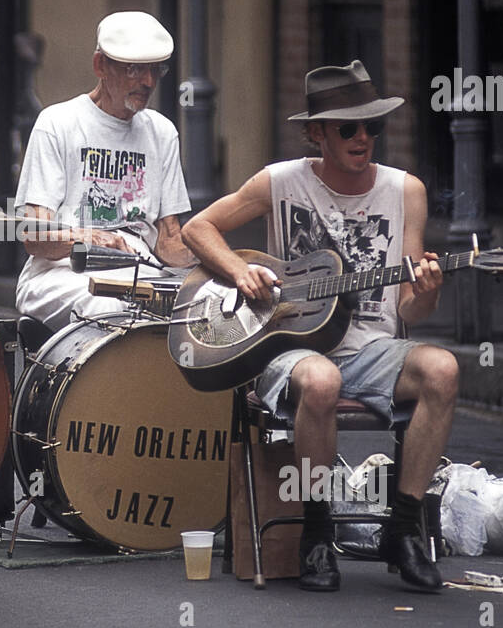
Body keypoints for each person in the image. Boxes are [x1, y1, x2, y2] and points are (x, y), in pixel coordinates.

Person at [182, 60, 457, 593]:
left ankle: (403, 531)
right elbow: (199, 228)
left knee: (443, 369)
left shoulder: (407, 191)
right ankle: (315, 533)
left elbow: (409, 312)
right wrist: (241, 271)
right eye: (348, 127)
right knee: (322, 381)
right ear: (316, 133)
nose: (363, 138)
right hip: (290, 344)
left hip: (374, 349)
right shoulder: (281, 182)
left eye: (372, 126)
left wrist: (429, 290)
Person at [14, 11, 195, 333]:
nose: (149, 82)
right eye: (134, 70)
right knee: (111, 305)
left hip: (141, 269)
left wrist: (224, 262)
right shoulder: (58, 123)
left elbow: (169, 240)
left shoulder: (162, 132)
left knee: (206, 305)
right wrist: (91, 237)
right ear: (100, 65)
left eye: (155, 70)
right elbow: (34, 236)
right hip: (62, 272)